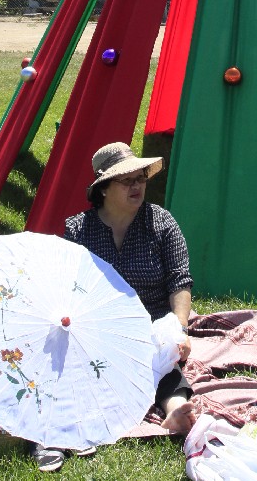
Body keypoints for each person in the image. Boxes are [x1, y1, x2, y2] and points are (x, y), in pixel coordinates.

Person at [64, 142, 197, 432]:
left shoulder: (162, 222)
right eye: (127, 181)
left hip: (153, 324)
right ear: (103, 188)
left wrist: (179, 329)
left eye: (141, 178)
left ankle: (175, 411)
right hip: (99, 327)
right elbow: (67, 288)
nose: (137, 186)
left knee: (163, 358)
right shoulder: (78, 230)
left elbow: (180, 280)